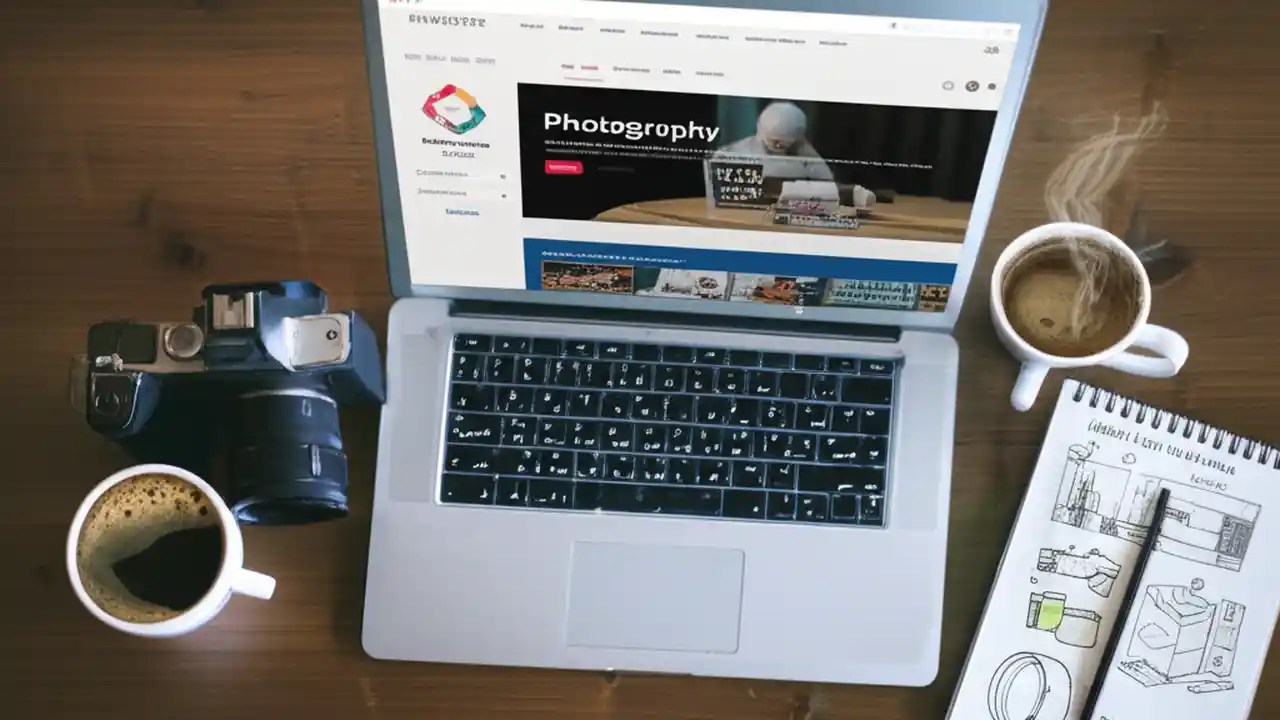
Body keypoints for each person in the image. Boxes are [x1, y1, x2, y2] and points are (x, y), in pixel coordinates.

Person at [713, 101, 835, 181]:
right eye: (773, 141)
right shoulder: (734, 153)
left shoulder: (805, 154)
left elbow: (828, 183)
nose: (778, 145)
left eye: (783, 143)